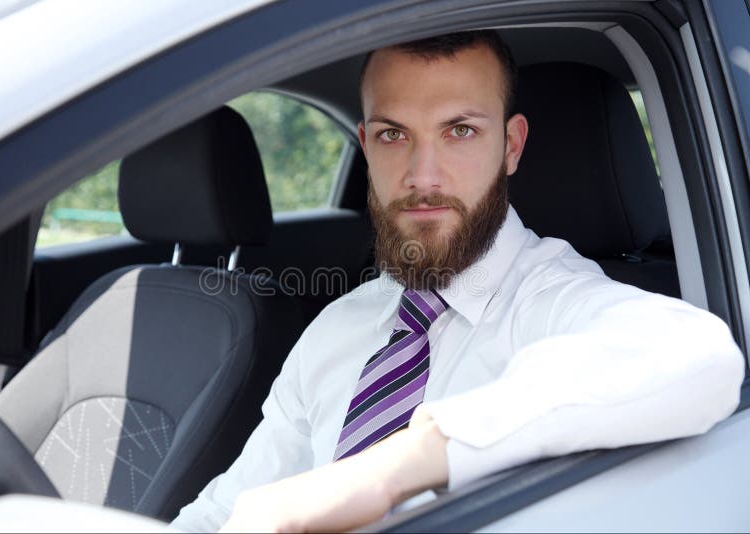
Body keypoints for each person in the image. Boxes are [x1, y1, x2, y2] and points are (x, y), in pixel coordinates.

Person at [170, 30, 744, 533]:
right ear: (366, 145)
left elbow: (702, 357)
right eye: (394, 135)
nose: (423, 177)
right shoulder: (335, 328)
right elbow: (223, 512)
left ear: (511, 146)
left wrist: (393, 469)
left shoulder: (553, 300)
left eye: (460, 130)